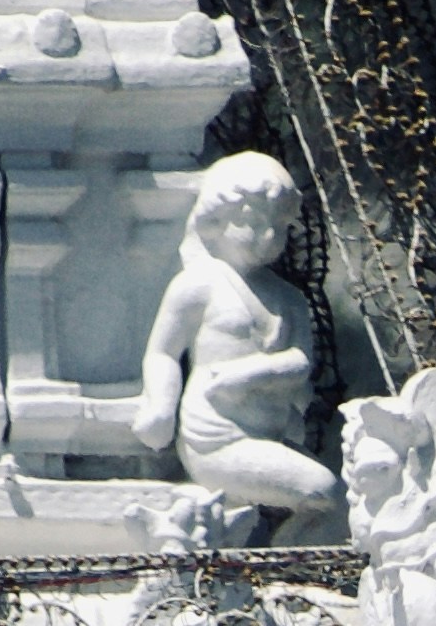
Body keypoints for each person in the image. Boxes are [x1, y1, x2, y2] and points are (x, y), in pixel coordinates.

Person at [129, 151, 329, 535]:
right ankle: (283, 555)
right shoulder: (199, 284)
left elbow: (301, 361)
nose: (268, 237)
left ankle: (273, 552)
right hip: (216, 434)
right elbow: (163, 352)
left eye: (281, 227)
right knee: (323, 491)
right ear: (216, 219)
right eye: (252, 222)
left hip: (271, 431)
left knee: (343, 500)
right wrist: (160, 409)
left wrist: (247, 374)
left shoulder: (289, 297)